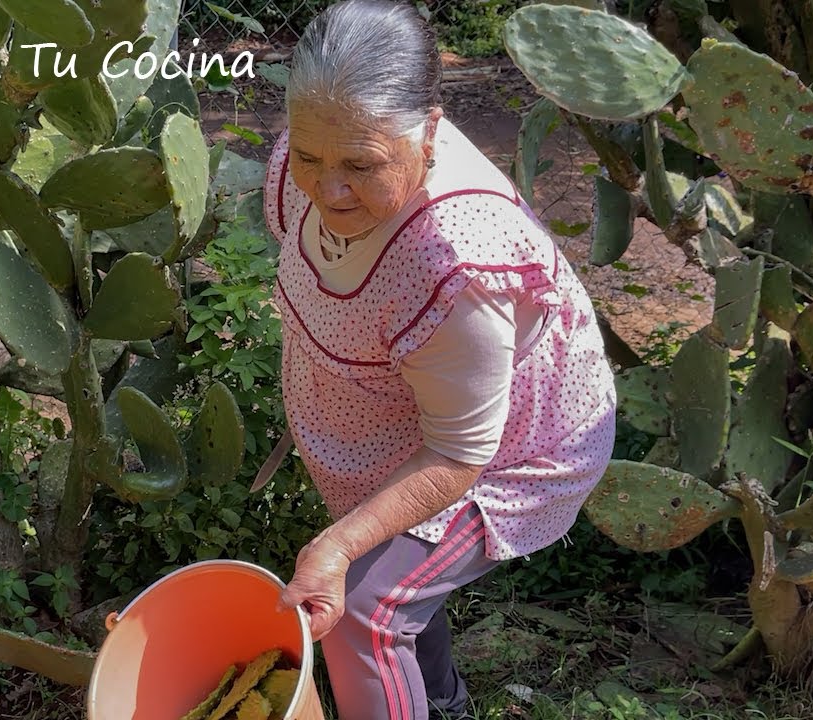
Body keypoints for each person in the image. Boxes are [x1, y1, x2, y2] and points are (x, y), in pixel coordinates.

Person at [259, 1, 618, 718]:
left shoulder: (455, 263)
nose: (327, 191)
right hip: (402, 419)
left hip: (507, 450)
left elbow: (459, 452)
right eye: (307, 157)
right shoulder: (325, 146)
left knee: (365, 608)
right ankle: (443, 705)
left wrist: (334, 548)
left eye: (360, 166)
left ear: (428, 131)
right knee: (393, 573)